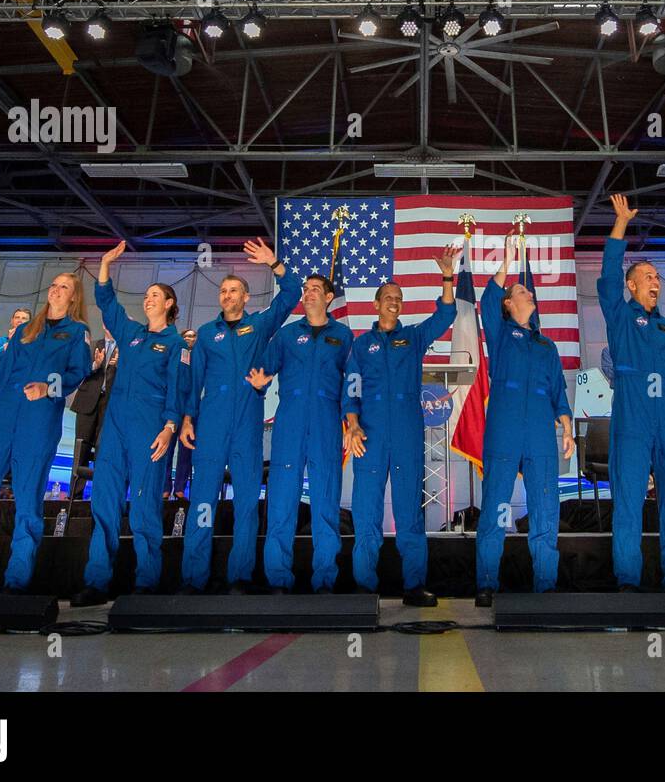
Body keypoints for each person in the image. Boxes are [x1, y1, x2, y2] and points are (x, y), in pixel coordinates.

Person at [0, 273, 91, 594]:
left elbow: (78, 374)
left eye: (64, 286)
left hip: (38, 424)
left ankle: (16, 582)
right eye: (53, 284)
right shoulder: (26, 330)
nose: (55, 289)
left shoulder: (78, 333)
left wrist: (48, 387)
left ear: (74, 297)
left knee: (28, 502)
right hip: (1, 421)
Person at [177, 238, 300, 594]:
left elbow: (289, 295)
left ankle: (240, 576)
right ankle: (194, 577)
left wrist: (274, 263)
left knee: (246, 501)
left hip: (247, 425)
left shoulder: (259, 326)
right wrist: (187, 419)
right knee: (202, 500)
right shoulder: (205, 334)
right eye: (225, 291)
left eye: (235, 290)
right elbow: (194, 380)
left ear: (246, 298)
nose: (228, 295)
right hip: (211, 426)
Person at [344, 246, 460, 607]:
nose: (394, 302)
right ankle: (365, 587)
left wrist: (446, 277)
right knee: (366, 511)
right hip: (371, 437)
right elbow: (351, 388)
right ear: (376, 305)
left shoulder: (412, 338)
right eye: (388, 298)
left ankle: (413, 586)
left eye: (399, 298)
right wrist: (352, 424)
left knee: (411, 509)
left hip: (408, 436)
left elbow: (445, 316)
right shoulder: (361, 346)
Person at [72, 243, 185, 606]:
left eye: (156, 295)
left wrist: (169, 428)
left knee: (144, 506)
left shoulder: (175, 343)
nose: (149, 298)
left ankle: (147, 582)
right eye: (148, 294)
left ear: (169, 304)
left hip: (150, 431)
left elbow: (178, 389)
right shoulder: (132, 335)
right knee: (104, 503)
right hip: (115, 431)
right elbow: (107, 302)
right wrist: (104, 264)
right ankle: (97, 580)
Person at [599, 196, 665, 594]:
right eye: (649, 277)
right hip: (632, 418)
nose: (656, 283)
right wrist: (621, 223)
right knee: (628, 500)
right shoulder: (621, 316)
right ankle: (628, 581)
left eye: (658, 277)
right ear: (632, 285)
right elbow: (608, 276)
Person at [474, 235, 575, 606]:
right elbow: (486, 299)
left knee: (546, 507)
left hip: (540, 435)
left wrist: (566, 424)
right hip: (504, 430)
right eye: (521, 290)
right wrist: (508, 261)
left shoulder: (546, 346)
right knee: (497, 505)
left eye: (529, 291)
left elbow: (558, 392)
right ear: (508, 303)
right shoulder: (500, 334)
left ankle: (545, 585)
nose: (529, 293)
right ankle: (486, 584)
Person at [246, 275, 353, 595]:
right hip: (290, 422)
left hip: (326, 422)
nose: (307, 294)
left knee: (325, 501)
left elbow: (353, 384)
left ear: (329, 297)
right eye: (305, 290)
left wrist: (353, 422)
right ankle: (278, 578)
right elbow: (265, 371)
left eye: (314, 290)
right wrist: (259, 380)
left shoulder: (344, 337)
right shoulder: (287, 335)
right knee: (281, 501)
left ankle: (325, 579)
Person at [69, 327, 118, 500]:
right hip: (87, 400)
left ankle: (99, 495)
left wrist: (122, 365)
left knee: (102, 449)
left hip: (111, 404)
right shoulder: (93, 346)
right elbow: (79, 370)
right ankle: (75, 493)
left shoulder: (126, 349)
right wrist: (94, 365)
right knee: (81, 447)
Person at [166, 328, 198, 500]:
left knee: (186, 450)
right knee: (167, 447)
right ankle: (165, 486)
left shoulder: (200, 358)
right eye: (186, 336)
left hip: (191, 408)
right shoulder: (174, 354)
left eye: (193, 336)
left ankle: (179, 487)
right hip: (174, 405)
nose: (190, 339)